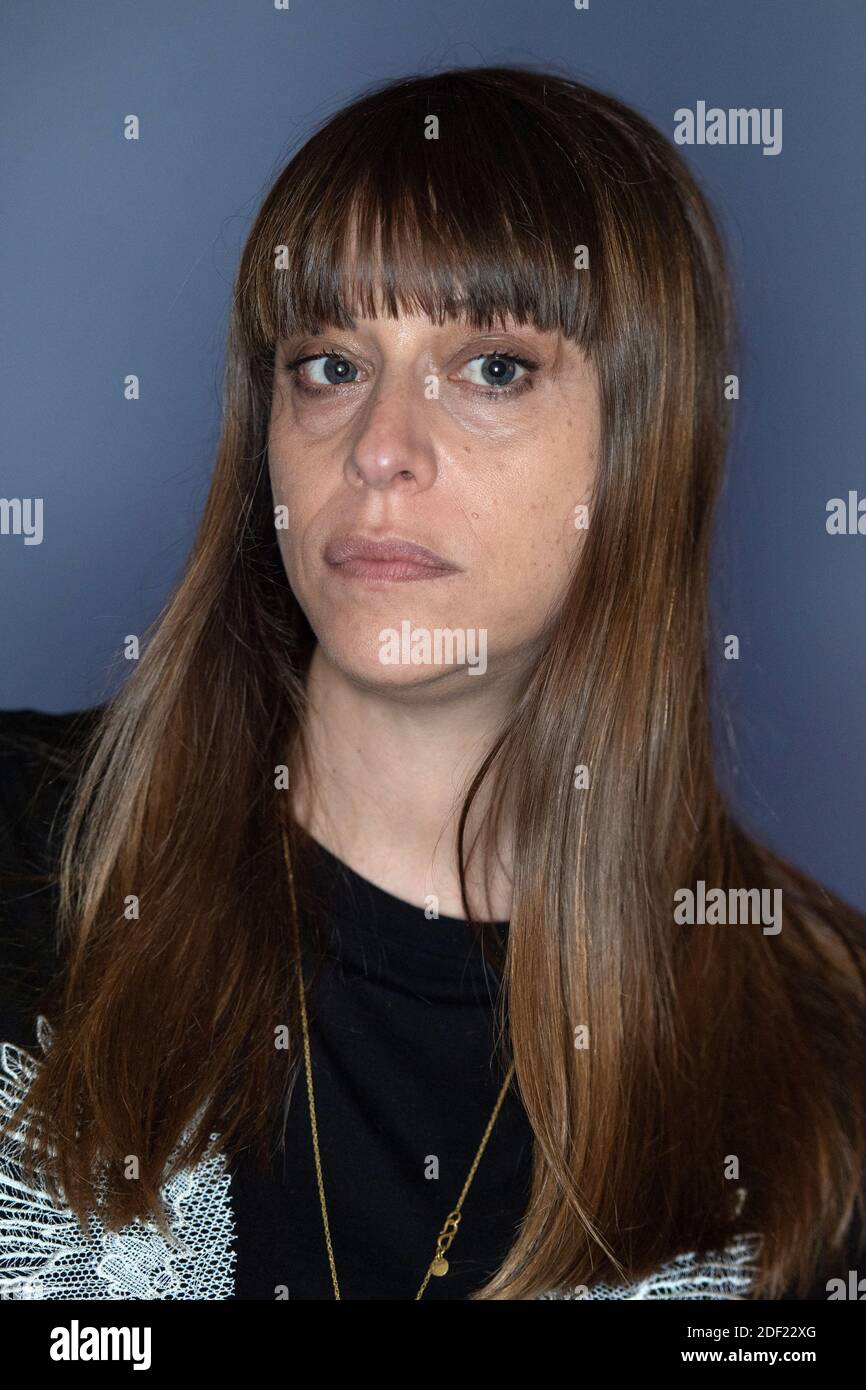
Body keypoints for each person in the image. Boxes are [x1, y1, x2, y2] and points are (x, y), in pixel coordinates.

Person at [1, 65, 864, 1302]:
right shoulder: (22, 852)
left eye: (493, 369)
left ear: (647, 437)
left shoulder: (824, 1052)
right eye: (331, 365)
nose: (380, 450)